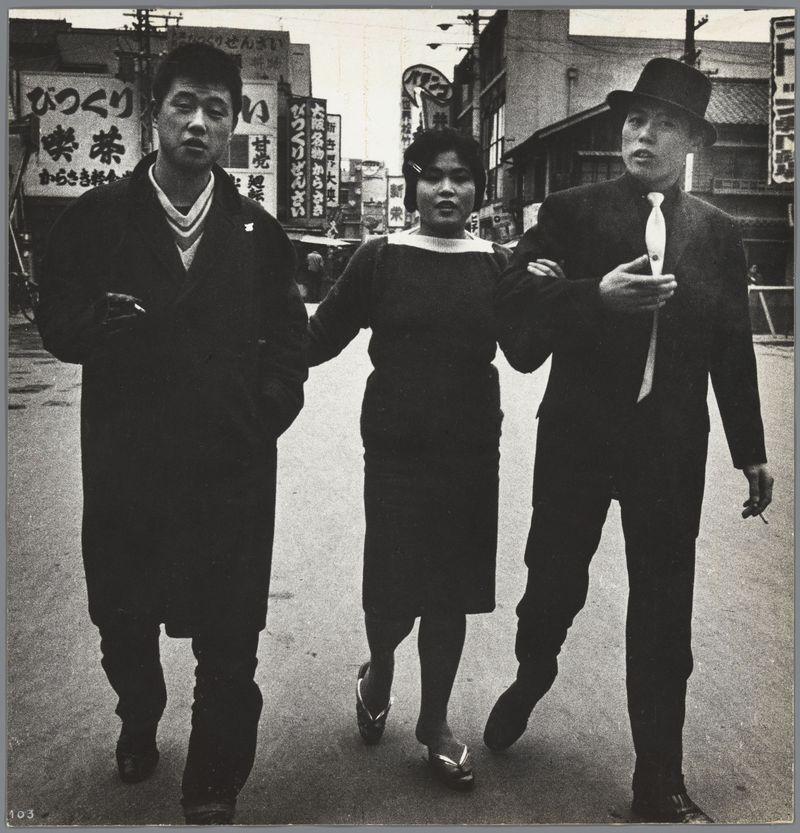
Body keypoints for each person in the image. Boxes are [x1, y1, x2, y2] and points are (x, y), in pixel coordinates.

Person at [486, 58, 773, 823]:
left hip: (668, 450)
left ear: (693, 142)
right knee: (552, 584)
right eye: (635, 120)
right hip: (577, 440)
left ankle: (659, 780)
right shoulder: (569, 212)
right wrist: (594, 297)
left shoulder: (718, 234)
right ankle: (532, 672)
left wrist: (751, 449)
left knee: (664, 613)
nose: (643, 135)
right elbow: (515, 313)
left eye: (664, 124)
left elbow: (732, 346)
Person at [35, 43, 307, 825]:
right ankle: (139, 709)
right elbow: (55, 318)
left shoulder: (258, 231)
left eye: (216, 110)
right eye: (184, 104)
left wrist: (267, 410)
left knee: (230, 634)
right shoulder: (97, 218)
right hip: (128, 465)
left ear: (233, 125)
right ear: (153, 113)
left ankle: (213, 779)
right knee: (124, 619)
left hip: (231, 469)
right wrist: (98, 324)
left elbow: (289, 341)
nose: (198, 122)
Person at [305, 128, 523, 791]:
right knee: (393, 591)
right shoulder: (379, 257)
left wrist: (551, 292)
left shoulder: (497, 263)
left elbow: (524, 351)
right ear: (413, 186)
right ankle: (379, 669)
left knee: (450, 593)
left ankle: (434, 724)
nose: (447, 189)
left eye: (461, 178)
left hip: (470, 450)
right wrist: (247, 338)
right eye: (433, 176)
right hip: (395, 450)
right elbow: (320, 336)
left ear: (478, 191)